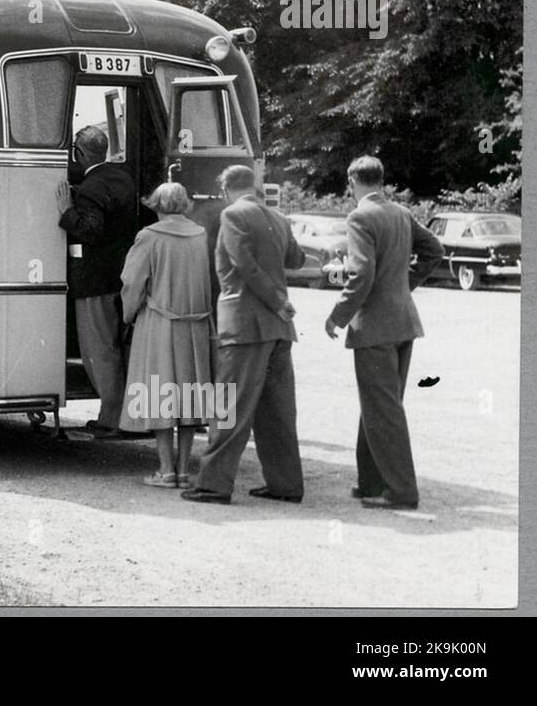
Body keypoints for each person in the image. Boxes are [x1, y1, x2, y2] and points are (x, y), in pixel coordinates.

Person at [182, 165, 307, 505]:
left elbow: (242, 264)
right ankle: (286, 485)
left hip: (246, 324)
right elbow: (296, 259)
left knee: (229, 405)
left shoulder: (233, 215)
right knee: (278, 411)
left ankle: (213, 485)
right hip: (280, 330)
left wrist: (277, 300)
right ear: (255, 185)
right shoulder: (278, 217)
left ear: (225, 189)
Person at [324, 156, 443, 510]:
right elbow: (433, 250)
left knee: (383, 410)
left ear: (351, 183)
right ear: (381, 180)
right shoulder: (401, 212)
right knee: (380, 406)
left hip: (375, 326)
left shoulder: (360, 216)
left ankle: (402, 490)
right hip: (404, 323)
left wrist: (337, 316)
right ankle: (371, 482)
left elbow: (360, 275)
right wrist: (404, 286)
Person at [118, 182, 215, 487]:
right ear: (185, 204)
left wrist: (128, 314)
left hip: (159, 322)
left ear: (156, 205)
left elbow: (132, 283)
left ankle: (165, 470)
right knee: (189, 397)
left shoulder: (149, 237)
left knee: (159, 394)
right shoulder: (200, 235)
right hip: (197, 324)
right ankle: (185, 470)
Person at [55, 123, 139, 435]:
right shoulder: (123, 178)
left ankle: (111, 417)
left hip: (93, 281)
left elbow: (90, 231)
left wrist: (67, 211)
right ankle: (120, 413)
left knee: (99, 350)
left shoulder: (90, 189)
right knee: (117, 346)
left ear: (78, 154)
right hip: (121, 276)